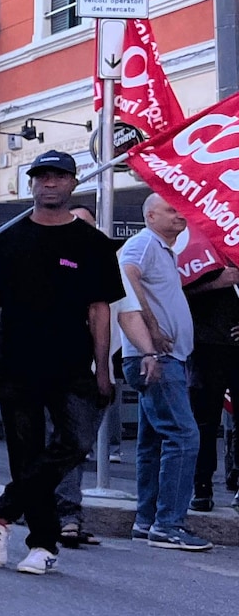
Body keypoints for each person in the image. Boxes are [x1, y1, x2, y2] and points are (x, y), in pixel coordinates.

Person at [0, 152, 124, 576]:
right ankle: (43, 544)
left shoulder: (93, 243)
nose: (49, 183)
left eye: (58, 177)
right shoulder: (7, 238)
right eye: (41, 177)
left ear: (72, 183)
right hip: (16, 360)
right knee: (25, 452)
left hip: (73, 363)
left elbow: (99, 309)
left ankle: (1, 508)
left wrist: (102, 369)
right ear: (31, 184)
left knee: (77, 440)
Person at [119, 195, 210, 549]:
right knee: (184, 437)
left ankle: (147, 520)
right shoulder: (144, 243)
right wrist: (152, 330)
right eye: (171, 210)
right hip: (155, 357)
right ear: (150, 215)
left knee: (154, 441)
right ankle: (169, 525)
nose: (180, 215)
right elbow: (126, 274)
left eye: (182, 209)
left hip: (165, 358)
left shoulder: (164, 251)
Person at [184, 249, 239, 511]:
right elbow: (180, 293)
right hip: (207, 346)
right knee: (205, 421)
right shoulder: (201, 252)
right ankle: (201, 486)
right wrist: (218, 282)